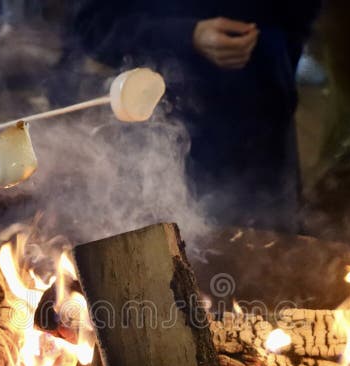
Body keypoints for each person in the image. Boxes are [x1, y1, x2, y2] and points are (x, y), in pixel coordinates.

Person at [73, 1, 321, 232]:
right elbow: (94, 27)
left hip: (264, 129)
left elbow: (302, 15)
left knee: (275, 254)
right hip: (160, 138)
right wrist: (186, 35)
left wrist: (272, 43)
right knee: (163, 254)